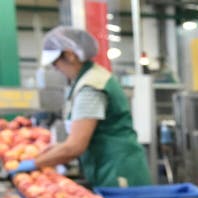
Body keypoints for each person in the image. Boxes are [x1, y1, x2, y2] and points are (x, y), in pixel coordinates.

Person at [11, 27, 151, 188]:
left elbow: (75, 147)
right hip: (108, 166)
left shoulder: (91, 87)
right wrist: (55, 150)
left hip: (118, 171)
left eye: (56, 63)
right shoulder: (86, 80)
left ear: (70, 55)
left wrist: (34, 164)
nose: (56, 69)